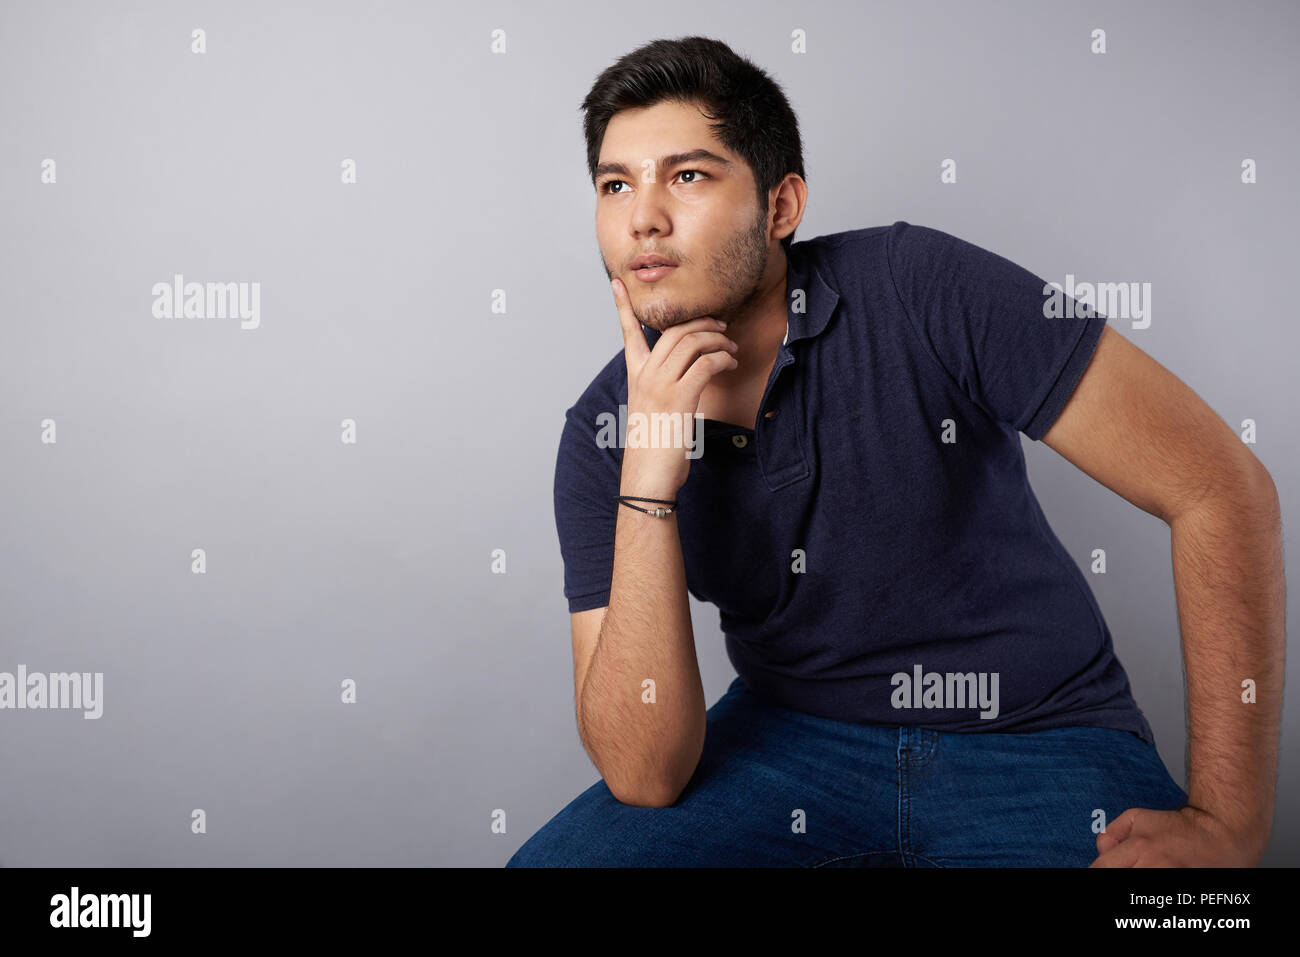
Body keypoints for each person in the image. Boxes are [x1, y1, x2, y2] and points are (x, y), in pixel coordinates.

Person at [507, 36, 1282, 867]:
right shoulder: (601, 434)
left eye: (687, 175)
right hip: (786, 745)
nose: (643, 217)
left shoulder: (919, 283)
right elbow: (646, 777)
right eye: (615, 184)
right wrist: (649, 483)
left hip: (1039, 737)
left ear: (780, 206)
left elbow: (1217, 484)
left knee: (1189, 920)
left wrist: (1231, 820)